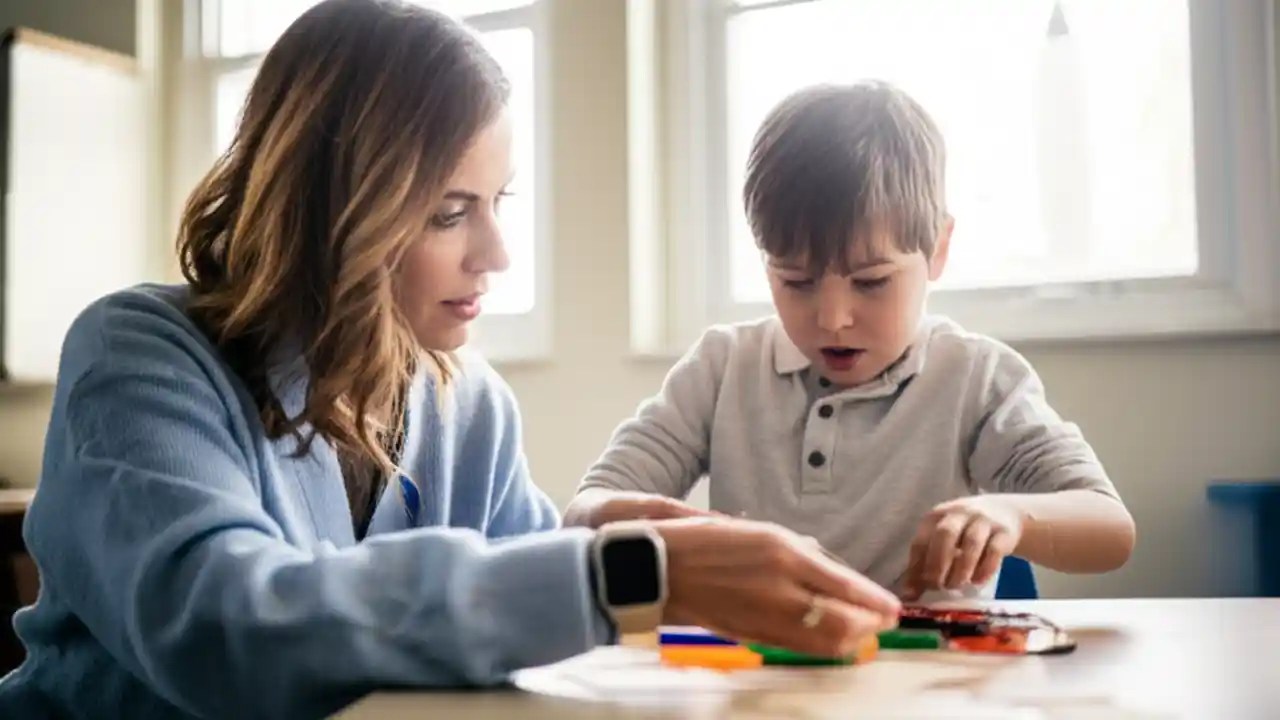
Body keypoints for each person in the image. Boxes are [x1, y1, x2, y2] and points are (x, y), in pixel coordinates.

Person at [0, 4, 901, 718]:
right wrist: (628, 575)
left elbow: (524, 615)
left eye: (496, 201)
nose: (496, 255)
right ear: (332, 210)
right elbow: (226, 634)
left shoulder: (469, 405)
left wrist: (599, 546)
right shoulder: (136, 357)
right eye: (448, 211)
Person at [565, 81, 1137, 602]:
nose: (833, 318)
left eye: (872, 282)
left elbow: (1110, 529)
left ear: (938, 249)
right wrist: (633, 516)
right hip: (763, 690)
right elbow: (583, 510)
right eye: (795, 280)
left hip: (931, 686)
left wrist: (1010, 515)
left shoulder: (976, 378)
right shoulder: (721, 369)